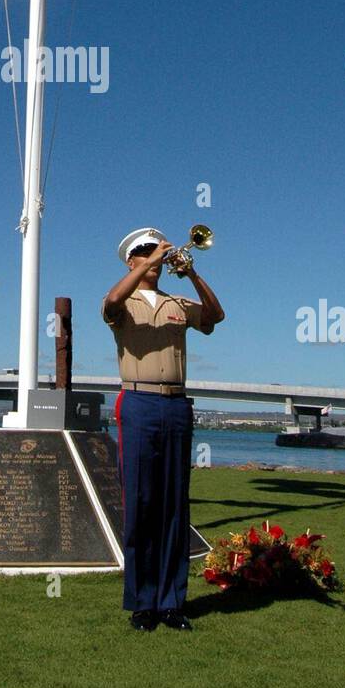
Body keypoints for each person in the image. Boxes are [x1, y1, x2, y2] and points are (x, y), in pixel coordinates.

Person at [101, 226, 225, 632]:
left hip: (175, 405)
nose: (158, 256)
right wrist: (154, 264)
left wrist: (190, 273)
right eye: (149, 252)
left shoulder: (176, 301)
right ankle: (142, 602)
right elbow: (112, 301)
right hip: (137, 403)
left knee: (175, 504)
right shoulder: (124, 299)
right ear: (132, 260)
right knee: (141, 503)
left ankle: (172, 602)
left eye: (159, 250)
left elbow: (215, 316)